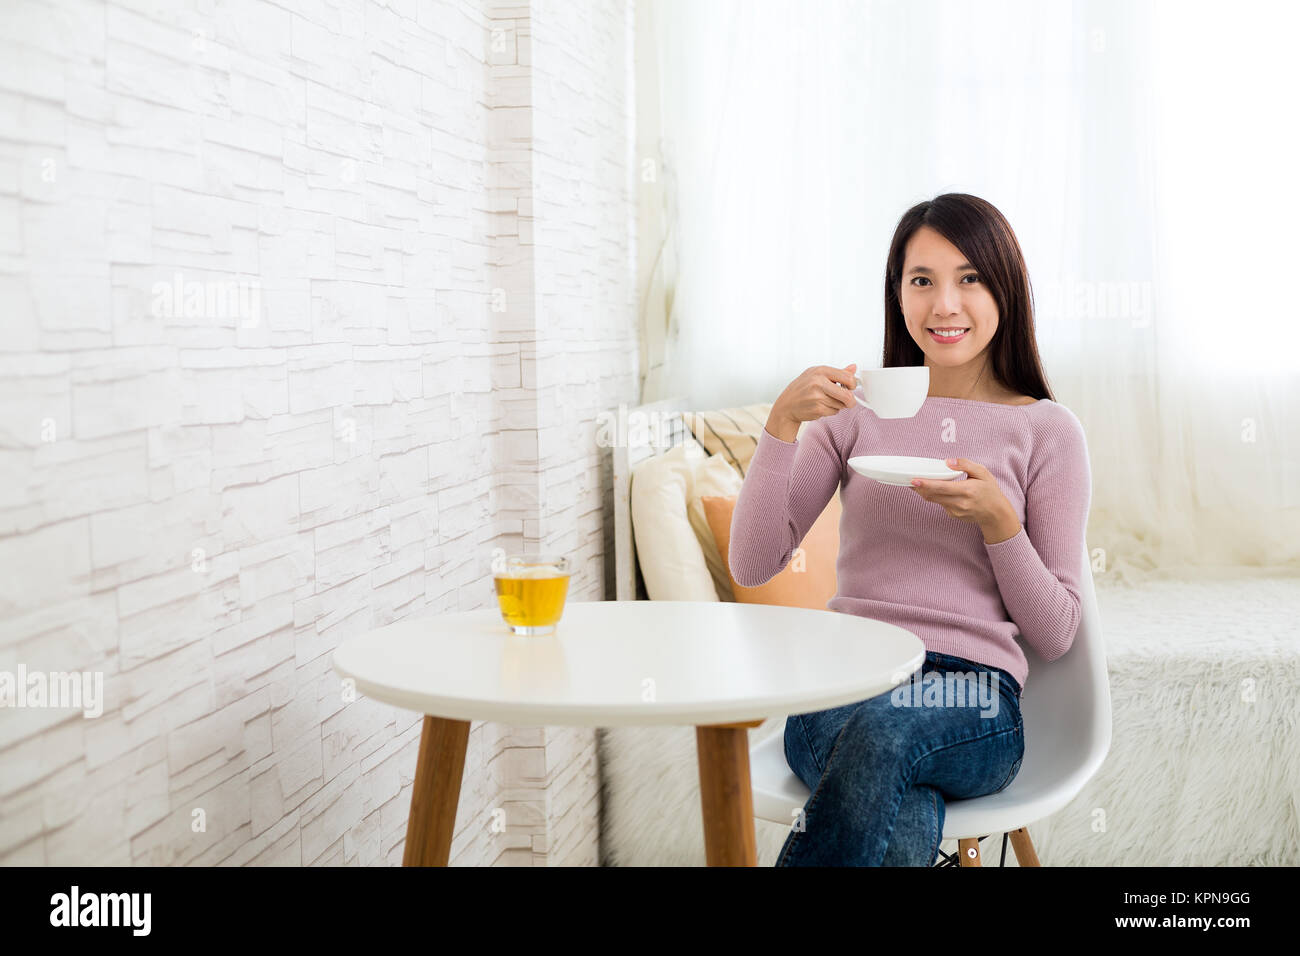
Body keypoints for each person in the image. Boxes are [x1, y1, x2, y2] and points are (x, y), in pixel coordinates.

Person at [728, 192, 1092, 866]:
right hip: (844, 685)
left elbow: (1056, 632)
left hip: (975, 698)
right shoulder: (854, 410)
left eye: (969, 279)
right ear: (897, 294)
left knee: (885, 739)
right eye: (921, 281)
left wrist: (1000, 526)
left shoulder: (1048, 431)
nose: (943, 305)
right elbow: (753, 562)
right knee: (899, 796)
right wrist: (781, 427)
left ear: (1004, 288)